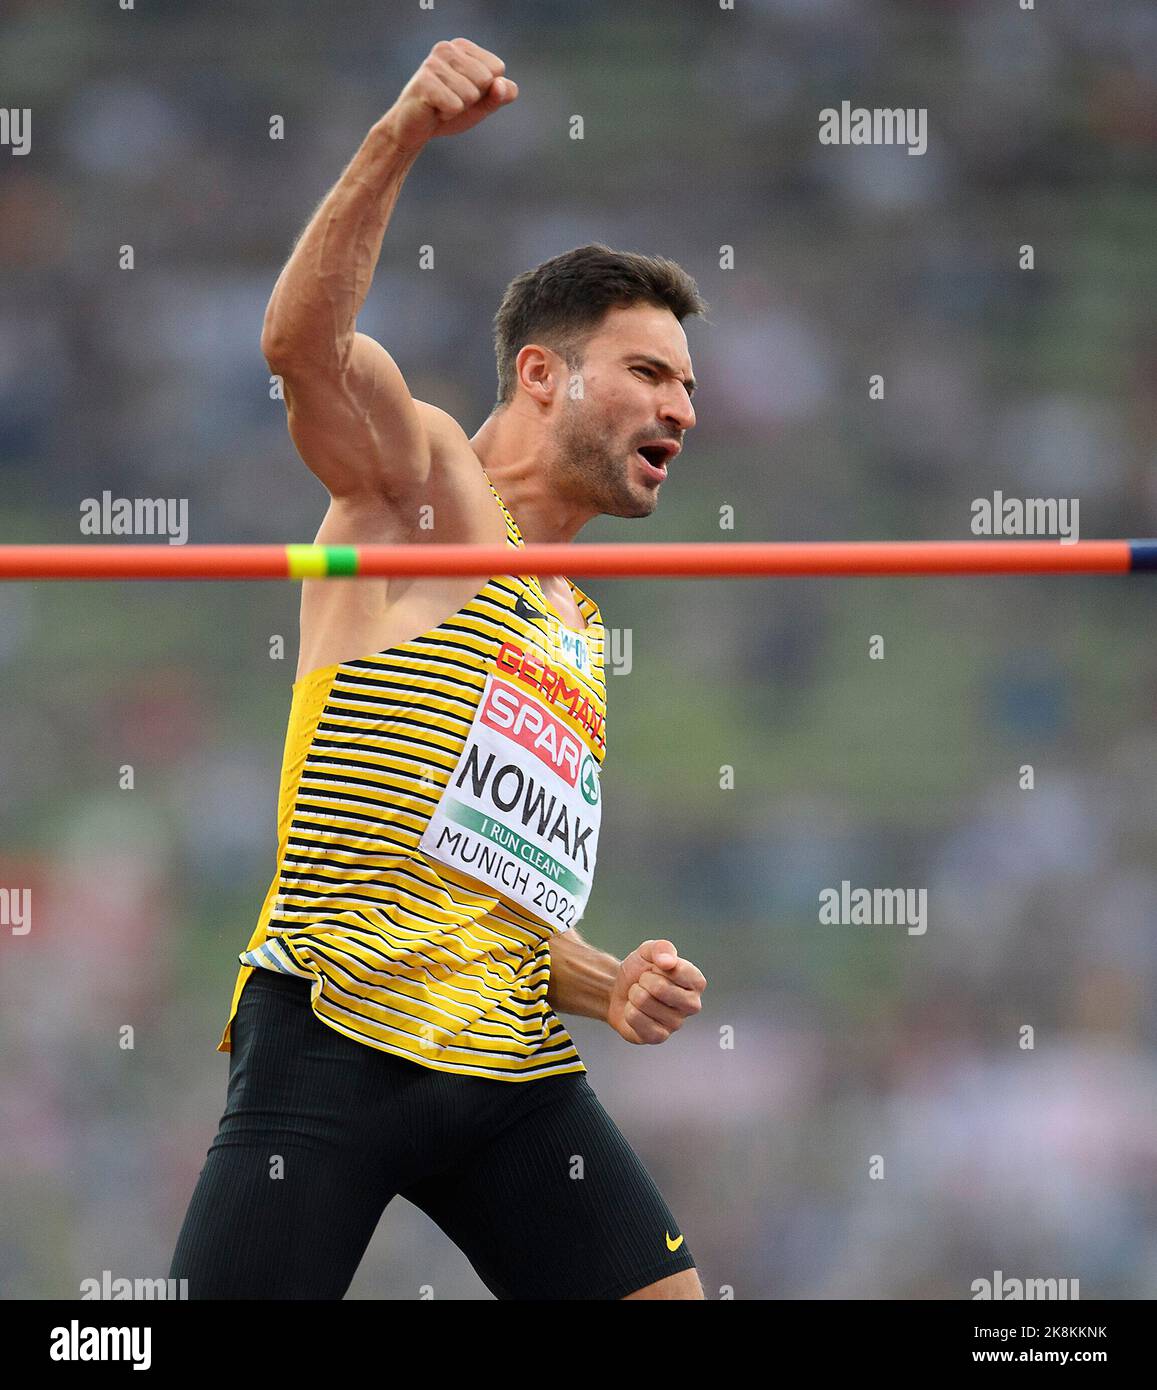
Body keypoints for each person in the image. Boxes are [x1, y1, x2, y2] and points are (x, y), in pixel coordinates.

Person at [169, 37, 708, 1301]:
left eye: (688, 384)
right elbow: (302, 348)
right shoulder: (425, 491)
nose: (682, 408)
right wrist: (400, 130)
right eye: (646, 372)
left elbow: (483, 880)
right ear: (539, 373)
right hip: (337, 1040)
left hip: (509, 1068)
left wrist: (600, 975)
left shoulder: (571, 619)